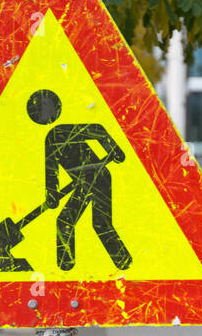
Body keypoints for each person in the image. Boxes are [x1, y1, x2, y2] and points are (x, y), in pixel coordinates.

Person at [26, 88, 132, 272]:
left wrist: (114, 149)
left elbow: (97, 130)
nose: (42, 113)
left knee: (91, 223)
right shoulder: (51, 138)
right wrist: (51, 193)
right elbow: (51, 171)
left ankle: (121, 262)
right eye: (38, 109)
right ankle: (69, 267)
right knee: (73, 223)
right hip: (85, 181)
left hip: (98, 177)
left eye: (44, 107)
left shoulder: (64, 130)